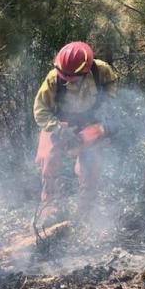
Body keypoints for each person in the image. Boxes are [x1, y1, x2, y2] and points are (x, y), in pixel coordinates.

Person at [33, 41, 117, 228]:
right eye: (65, 76)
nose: (67, 80)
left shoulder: (102, 71)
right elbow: (40, 111)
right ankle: (49, 209)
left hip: (90, 121)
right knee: (49, 159)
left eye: (72, 77)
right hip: (60, 122)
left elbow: (111, 95)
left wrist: (104, 118)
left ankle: (83, 217)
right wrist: (59, 128)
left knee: (91, 167)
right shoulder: (53, 79)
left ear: (85, 71)